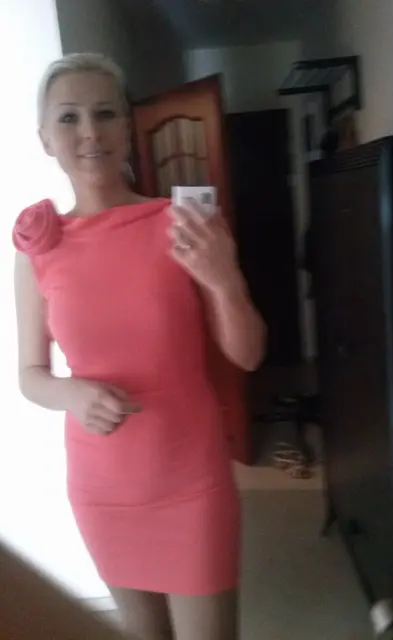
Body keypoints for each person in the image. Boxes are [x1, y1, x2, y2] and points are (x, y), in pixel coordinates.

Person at [13, 53, 266, 640]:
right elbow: (29, 374)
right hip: (102, 486)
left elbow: (248, 355)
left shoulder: (180, 223)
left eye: (105, 113)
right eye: (69, 117)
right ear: (46, 138)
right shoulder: (38, 251)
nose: (90, 131)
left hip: (190, 478)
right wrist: (71, 394)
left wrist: (226, 280)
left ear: (127, 127)